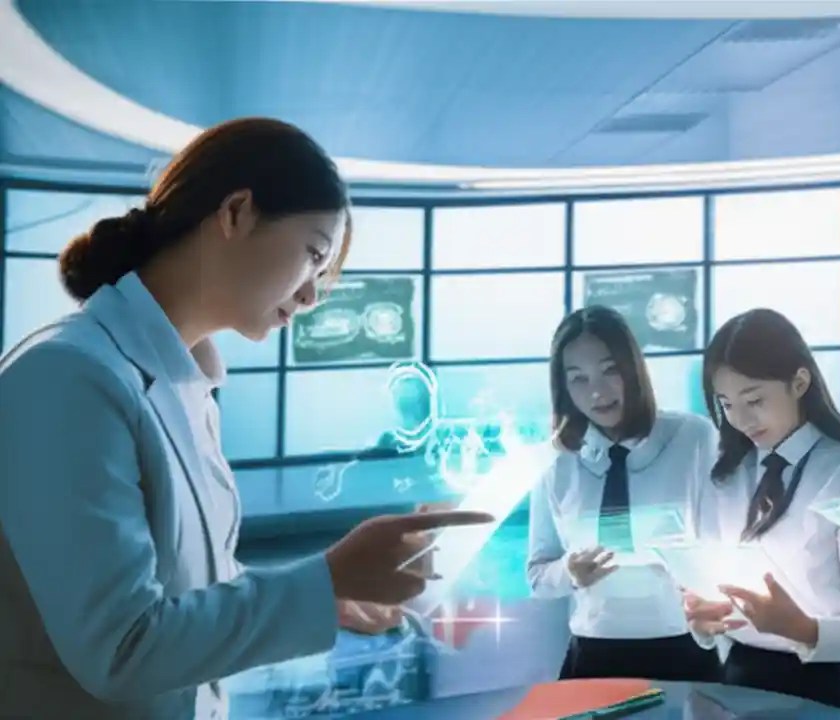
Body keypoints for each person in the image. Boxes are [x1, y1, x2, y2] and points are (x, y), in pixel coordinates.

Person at [0, 118, 492, 719]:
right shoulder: (69, 376)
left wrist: (330, 595)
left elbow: (187, 588)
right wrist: (324, 579)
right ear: (236, 213)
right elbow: (121, 647)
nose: (313, 295)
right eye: (314, 253)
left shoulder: (187, 388)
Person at [683, 308, 840, 713]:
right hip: (733, 681)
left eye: (755, 400)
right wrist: (702, 622)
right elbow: (709, 601)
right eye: (727, 404)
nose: (741, 419)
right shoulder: (726, 474)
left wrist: (800, 627)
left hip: (815, 686)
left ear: (800, 382)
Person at [526, 306, 721, 682]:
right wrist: (570, 572)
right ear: (563, 389)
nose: (597, 392)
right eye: (578, 379)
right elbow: (537, 575)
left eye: (609, 370)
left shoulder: (694, 439)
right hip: (593, 655)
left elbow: (727, 542)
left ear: (633, 367)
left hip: (683, 650)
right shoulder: (555, 461)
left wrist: (692, 571)